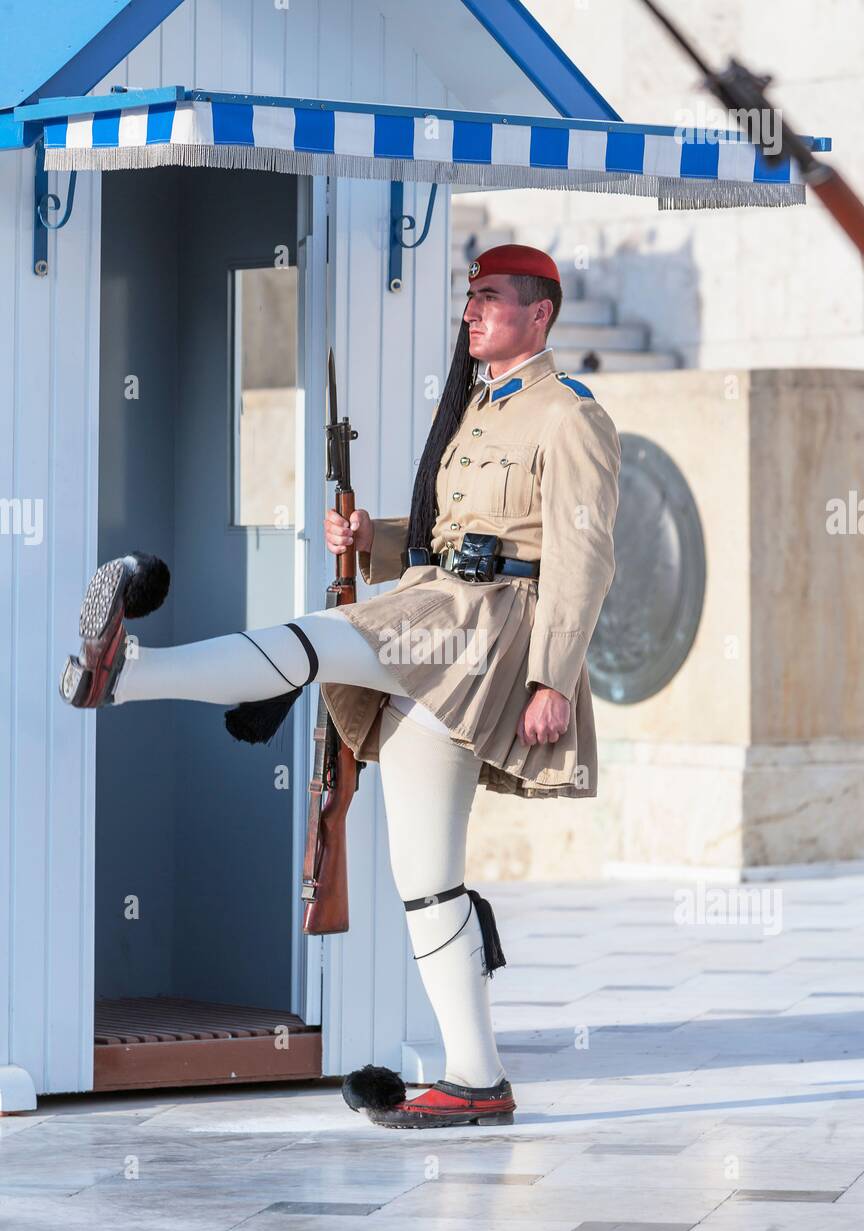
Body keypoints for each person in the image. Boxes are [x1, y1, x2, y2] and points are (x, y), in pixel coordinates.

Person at [58, 244, 621, 1129]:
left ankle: (133, 673)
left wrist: (553, 677)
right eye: (469, 298)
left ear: (540, 314)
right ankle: (478, 1078)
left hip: (486, 632)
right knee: (425, 876)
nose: (470, 312)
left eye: (490, 300)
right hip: (439, 603)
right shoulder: (479, 409)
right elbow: (456, 535)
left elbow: (581, 562)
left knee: (318, 641)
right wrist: (374, 536)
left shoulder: (569, 415)